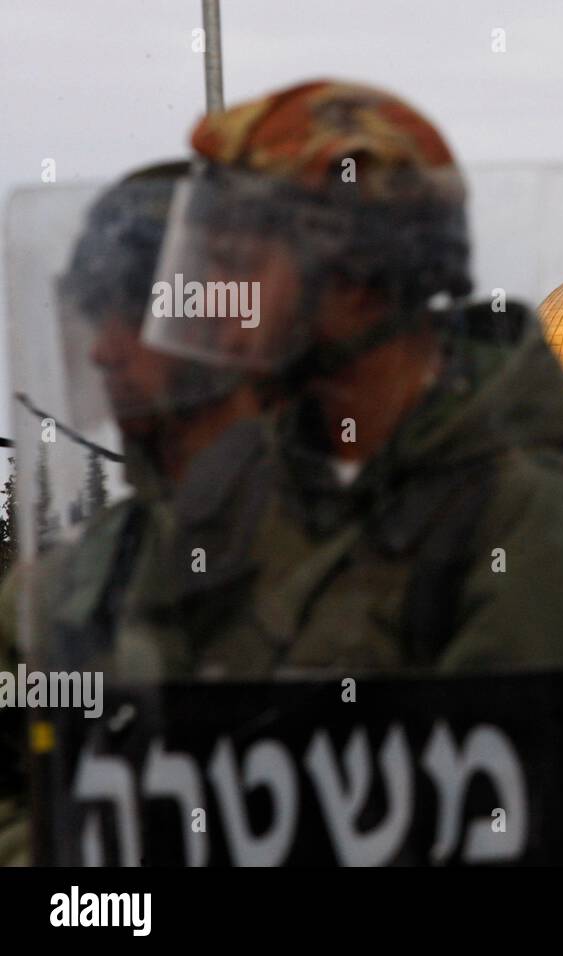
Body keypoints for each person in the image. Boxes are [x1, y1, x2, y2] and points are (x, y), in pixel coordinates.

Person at [140, 80, 563, 678]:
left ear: (358, 273)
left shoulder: (535, 526)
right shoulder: (260, 494)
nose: (219, 313)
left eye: (239, 266)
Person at [0, 162, 270, 863]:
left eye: (135, 311)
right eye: (97, 313)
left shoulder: (389, 551)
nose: (101, 349)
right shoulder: (63, 591)